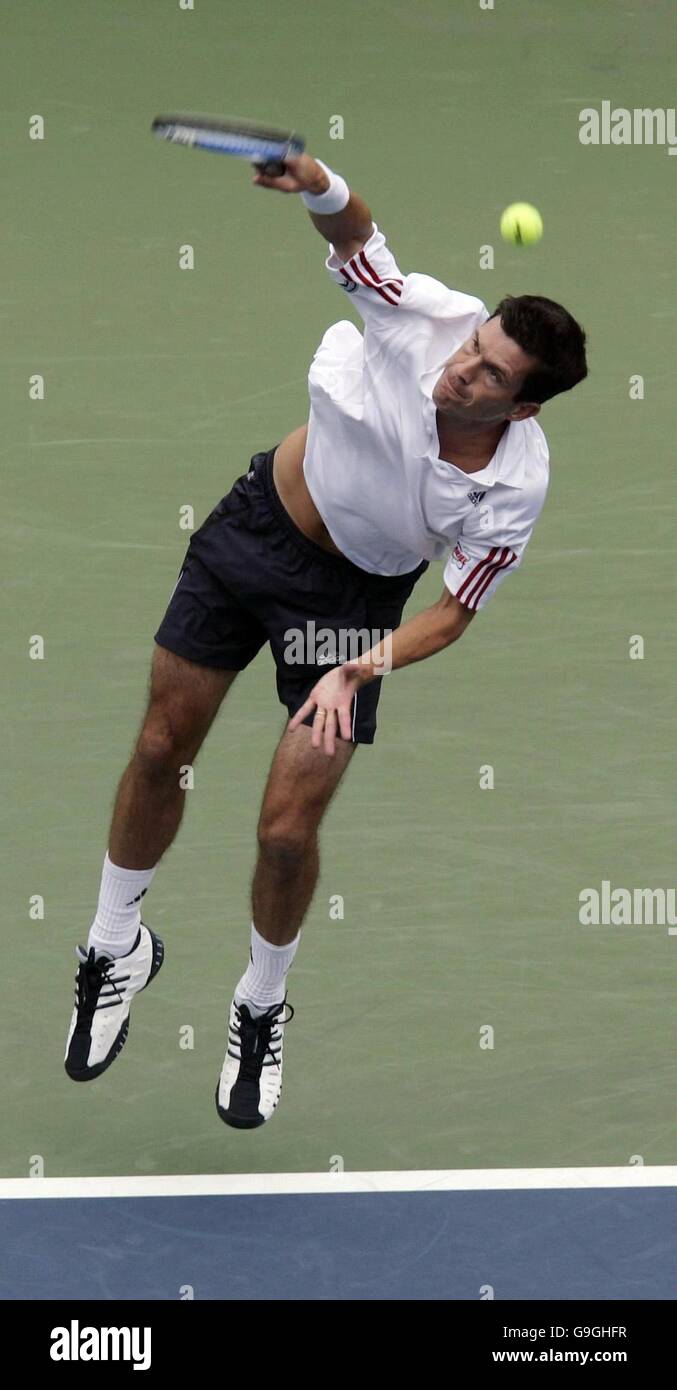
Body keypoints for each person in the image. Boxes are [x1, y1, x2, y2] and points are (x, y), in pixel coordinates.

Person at [64, 153, 588, 1129]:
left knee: (283, 830)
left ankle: (259, 1004)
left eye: (487, 374)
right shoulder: (419, 318)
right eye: (472, 346)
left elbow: (452, 610)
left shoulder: (510, 487)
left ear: (518, 408)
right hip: (254, 530)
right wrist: (316, 180)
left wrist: (363, 659)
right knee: (157, 747)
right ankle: (113, 944)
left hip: (352, 608)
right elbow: (355, 239)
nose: (459, 367)